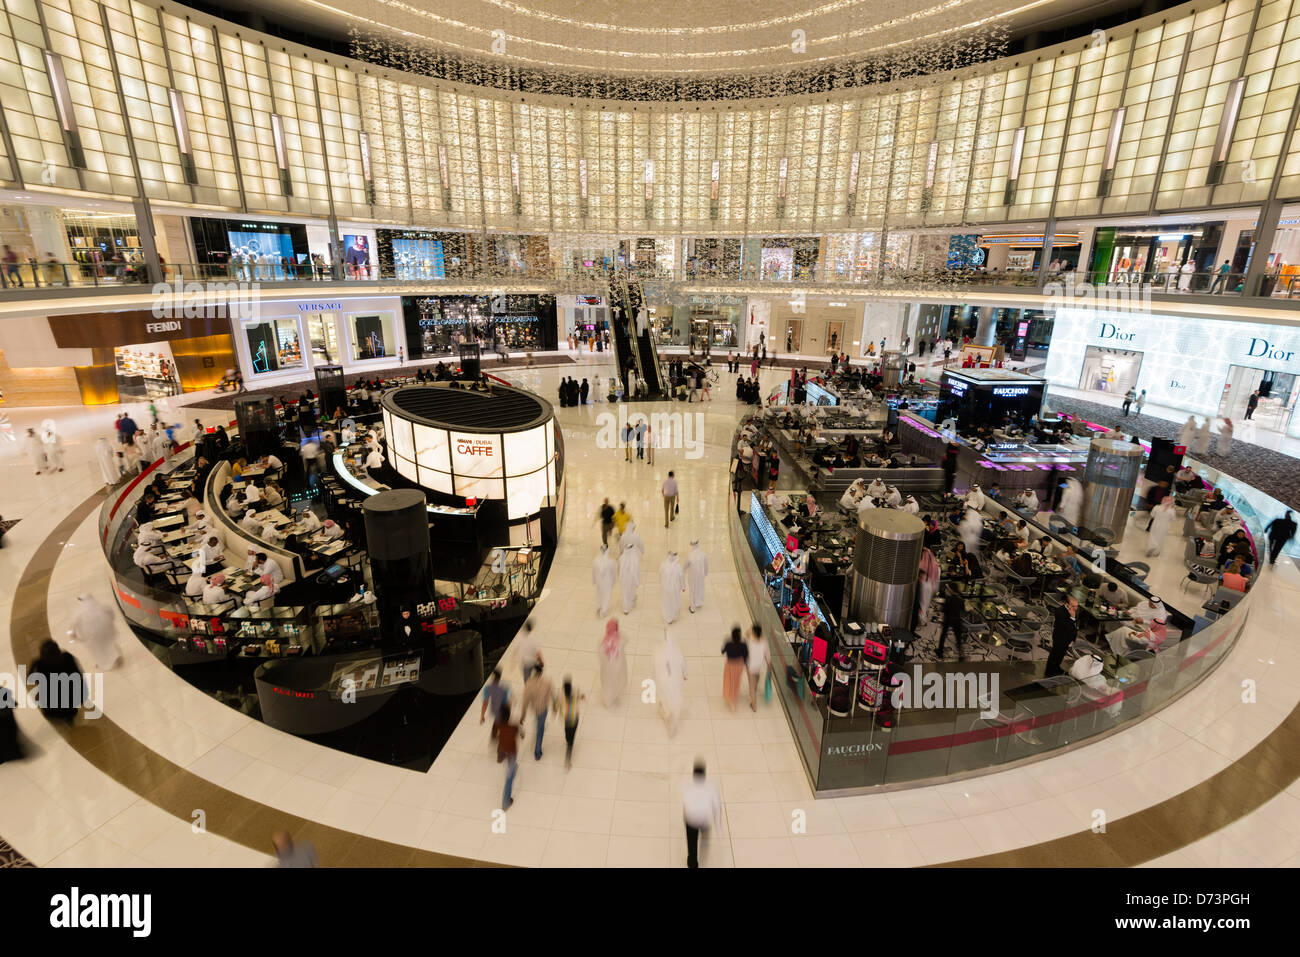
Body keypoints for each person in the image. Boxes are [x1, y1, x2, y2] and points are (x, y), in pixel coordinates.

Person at [28, 639, 83, 723]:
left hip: (50, 704)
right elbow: (78, 676)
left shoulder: (39, 664)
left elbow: (31, 678)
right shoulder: (67, 658)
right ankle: (69, 715)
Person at [681, 760, 722, 869]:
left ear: (693, 774)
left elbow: (685, 804)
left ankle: (693, 863)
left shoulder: (687, 786)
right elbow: (717, 808)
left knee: (692, 844)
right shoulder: (711, 787)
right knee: (704, 838)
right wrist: (719, 829)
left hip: (690, 821)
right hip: (704, 820)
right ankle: (703, 856)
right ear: (704, 774)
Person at [66, 593, 120, 669]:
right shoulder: (103, 606)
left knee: (98, 651)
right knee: (109, 646)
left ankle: (105, 664)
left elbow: (72, 628)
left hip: (92, 638)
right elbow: (112, 614)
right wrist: (110, 624)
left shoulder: (77, 613)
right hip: (107, 633)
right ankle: (114, 659)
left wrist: (74, 638)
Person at [653, 632, 687, 735]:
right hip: (675, 681)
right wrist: (685, 674)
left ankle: (667, 713)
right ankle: (672, 718)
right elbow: (683, 666)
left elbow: (654, 668)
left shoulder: (658, 654)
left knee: (664, 697)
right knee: (674, 698)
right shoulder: (678, 653)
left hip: (663, 681)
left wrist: (653, 678)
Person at [521, 663, 555, 761]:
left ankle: (540, 726)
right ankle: (537, 751)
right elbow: (553, 694)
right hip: (543, 708)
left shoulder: (528, 684)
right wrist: (555, 707)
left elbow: (525, 700)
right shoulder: (547, 682)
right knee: (540, 728)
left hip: (535, 708)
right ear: (541, 672)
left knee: (539, 723)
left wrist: (523, 714)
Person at [494, 701, 523, 810]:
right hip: (512, 751)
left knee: (512, 764)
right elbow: (521, 733)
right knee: (509, 778)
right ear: (509, 714)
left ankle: (513, 767)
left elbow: (495, 736)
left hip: (503, 749)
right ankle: (505, 802)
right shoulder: (513, 727)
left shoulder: (498, 724)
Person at [1045, 594, 1080, 677]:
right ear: (1067, 604)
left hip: (1068, 637)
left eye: (1077, 606)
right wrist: (1072, 618)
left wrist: (1074, 636)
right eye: (1073, 606)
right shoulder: (1059, 612)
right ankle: (1049, 671)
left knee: (1061, 654)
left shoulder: (1074, 611)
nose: (1076, 608)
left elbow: (1075, 625)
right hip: (1060, 637)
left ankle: (1057, 668)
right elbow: (1067, 626)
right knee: (1055, 654)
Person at [554, 677, 584, 769]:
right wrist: (582, 697)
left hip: (566, 717)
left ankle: (567, 739)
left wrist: (555, 711)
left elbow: (556, 704)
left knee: (567, 730)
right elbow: (579, 696)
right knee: (572, 737)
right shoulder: (575, 690)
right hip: (574, 717)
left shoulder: (560, 693)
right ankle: (567, 759)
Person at [599, 618, 627, 708]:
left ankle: (607, 700)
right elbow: (627, 639)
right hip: (617, 666)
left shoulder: (602, 642)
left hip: (606, 668)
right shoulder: (620, 640)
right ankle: (615, 695)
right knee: (616, 681)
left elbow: (600, 655)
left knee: (607, 683)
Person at [720, 626, 749, 710]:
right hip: (739, 665)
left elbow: (722, 651)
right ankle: (733, 698)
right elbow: (746, 655)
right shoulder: (743, 643)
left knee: (728, 680)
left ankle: (729, 697)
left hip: (730, 664)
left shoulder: (728, 643)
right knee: (736, 681)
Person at [745, 625, 770, 712]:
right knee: (757, 677)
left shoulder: (750, 641)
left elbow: (746, 633)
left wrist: (750, 627)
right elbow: (767, 656)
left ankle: (754, 705)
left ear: (754, 632)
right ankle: (755, 688)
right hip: (760, 666)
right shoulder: (764, 642)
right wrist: (769, 665)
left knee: (751, 686)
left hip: (751, 666)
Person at [618, 531, 641, 613]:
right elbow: (636, 571)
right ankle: (630, 603)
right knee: (631, 591)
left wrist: (620, 578)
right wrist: (637, 581)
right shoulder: (635, 559)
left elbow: (619, 569)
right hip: (631, 579)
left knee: (625, 593)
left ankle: (626, 608)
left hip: (624, 579)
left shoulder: (622, 558)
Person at [659, 551, 685, 624]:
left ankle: (667, 617)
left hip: (665, 587)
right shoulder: (678, 567)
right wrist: (683, 587)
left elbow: (660, 575)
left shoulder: (663, 565)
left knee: (666, 601)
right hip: (675, 588)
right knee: (674, 601)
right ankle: (673, 616)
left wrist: (662, 584)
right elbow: (681, 578)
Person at [684, 540, 708, 613]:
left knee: (693, 591)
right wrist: (705, 574)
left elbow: (685, 566)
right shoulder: (703, 554)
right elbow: (706, 566)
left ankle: (692, 608)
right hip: (701, 576)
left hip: (692, 577)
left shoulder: (689, 555)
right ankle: (699, 602)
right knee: (700, 588)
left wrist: (682, 572)